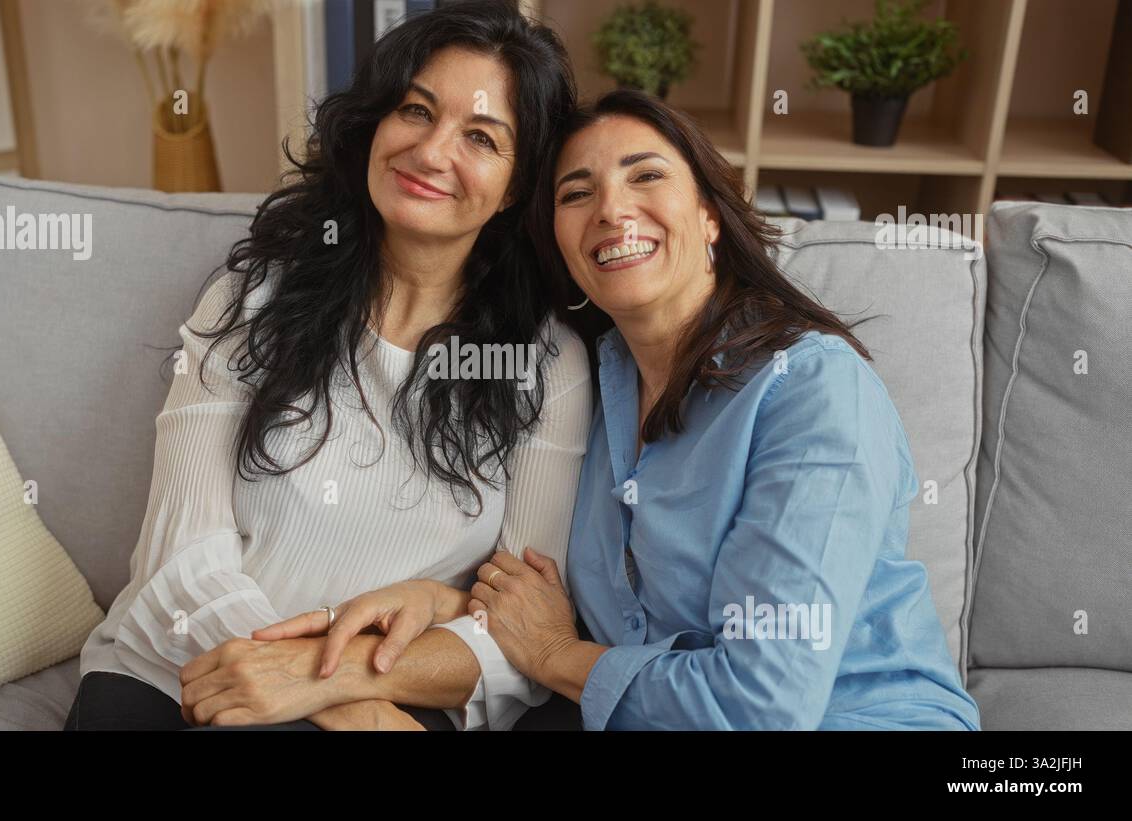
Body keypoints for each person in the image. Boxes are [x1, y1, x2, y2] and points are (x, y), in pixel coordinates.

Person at [302, 90, 981, 731]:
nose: (611, 210)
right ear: (561, 247)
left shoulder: (811, 389)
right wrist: (440, 601)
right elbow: (557, 605)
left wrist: (556, 656)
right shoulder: (585, 388)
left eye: (646, 176)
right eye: (577, 193)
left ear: (711, 214)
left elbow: (761, 706)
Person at [64, 0, 590, 732]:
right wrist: (334, 692)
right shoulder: (253, 297)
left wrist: (331, 690)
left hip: (391, 690)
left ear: (515, 188)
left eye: (479, 135)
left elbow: (521, 627)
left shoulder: (546, 363)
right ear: (375, 122)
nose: (432, 152)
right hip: (174, 667)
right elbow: (175, 560)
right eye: (416, 110)